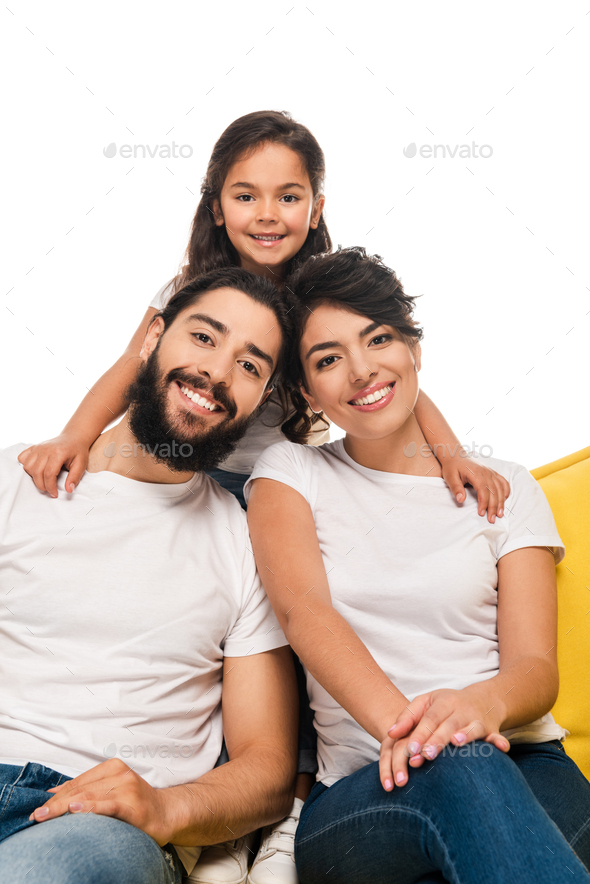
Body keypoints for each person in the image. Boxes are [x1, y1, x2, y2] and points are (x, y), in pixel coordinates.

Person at [16, 111, 510, 884]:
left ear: (316, 206)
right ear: (217, 204)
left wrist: (449, 455)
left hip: (272, 486)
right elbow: (127, 364)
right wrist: (74, 437)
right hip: (191, 473)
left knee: (286, 638)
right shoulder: (185, 289)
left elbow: (398, 381)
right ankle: (220, 830)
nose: (268, 215)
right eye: (246, 196)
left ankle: (282, 816)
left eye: (289, 197)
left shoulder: (318, 295)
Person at [244, 247, 590, 884]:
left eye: (378, 339)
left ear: (414, 349)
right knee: (461, 769)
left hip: (526, 761)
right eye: (327, 359)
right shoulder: (291, 474)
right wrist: (416, 734)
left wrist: (480, 704)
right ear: (305, 390)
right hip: (364, 786)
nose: (360, 369)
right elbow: (303, 611)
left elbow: (536, 669)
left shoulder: (503, 485)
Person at [0, 268, 300, 884]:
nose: (217, 373)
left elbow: (267, 768)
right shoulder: (17, 479)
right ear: (153, 337)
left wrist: (166, 808)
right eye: (204, 337)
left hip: (89, 826)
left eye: (250, 366)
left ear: (263, 399)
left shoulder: (245, 543)